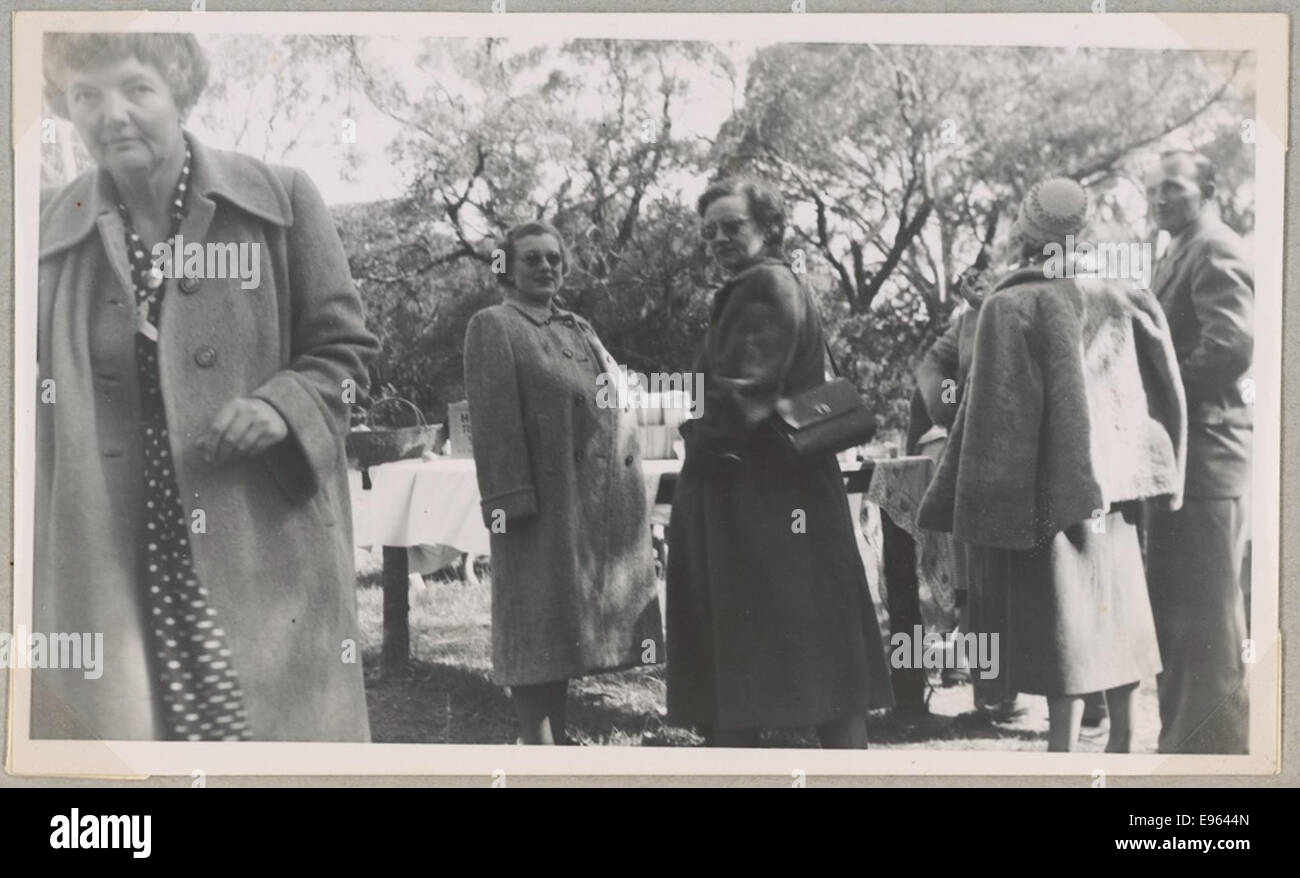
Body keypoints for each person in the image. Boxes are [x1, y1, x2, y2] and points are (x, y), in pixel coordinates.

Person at [36, 33, 377, 740]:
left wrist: (282, 407)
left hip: (258, 550)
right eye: (86, 95)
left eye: (136, 88)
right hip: (112, 554)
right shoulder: (42, 230)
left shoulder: (280, 199)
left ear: (179, 89)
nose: (113, 114)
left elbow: (345, 356)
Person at [919, 176, 1187, 752]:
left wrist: (978, 494)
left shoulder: (1012, 302)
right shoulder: (1118, 291)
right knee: (1117, 610)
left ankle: (1061, 752)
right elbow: (1162, 380)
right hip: (1113, 487)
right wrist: (1157, 460)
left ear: (1025, 230)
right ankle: (1123, 737)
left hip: (1046, 489)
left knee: (1064, 622)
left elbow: (993, 410)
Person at [665, 177, 893, 748]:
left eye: (733, 226)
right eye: (709, 230)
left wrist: (697, 443)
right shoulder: (771, 281)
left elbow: (742, 393)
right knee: (812, 655)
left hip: (760, 495)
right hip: (781, 490)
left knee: (768, 652)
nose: (718, 238)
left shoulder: (762, 285)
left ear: (767, 227)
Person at [463, 221, 663, 745]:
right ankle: (540, 750)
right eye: (532, 258)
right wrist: (511, 504)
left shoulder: (579, 328)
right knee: (536, 631)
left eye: (554, 257)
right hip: (539, 507)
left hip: (593, 505)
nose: (546, 266)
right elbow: (494, 424)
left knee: (567, 629)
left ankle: (557, 745)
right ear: (506, 268)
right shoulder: (495, 325)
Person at [1144, 150, 1253, 754]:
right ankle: (1186, 747)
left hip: (1208, 458)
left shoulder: (1214, 247)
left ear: (1206, 189)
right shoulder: (1178, 250)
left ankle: (1216, 759)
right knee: (1181, 618)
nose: (1159, 199)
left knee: (1207, 621)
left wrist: (1156, 390)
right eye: (1152, 190)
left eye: (1174, 188)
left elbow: (1231, 346)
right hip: (1181, 460)